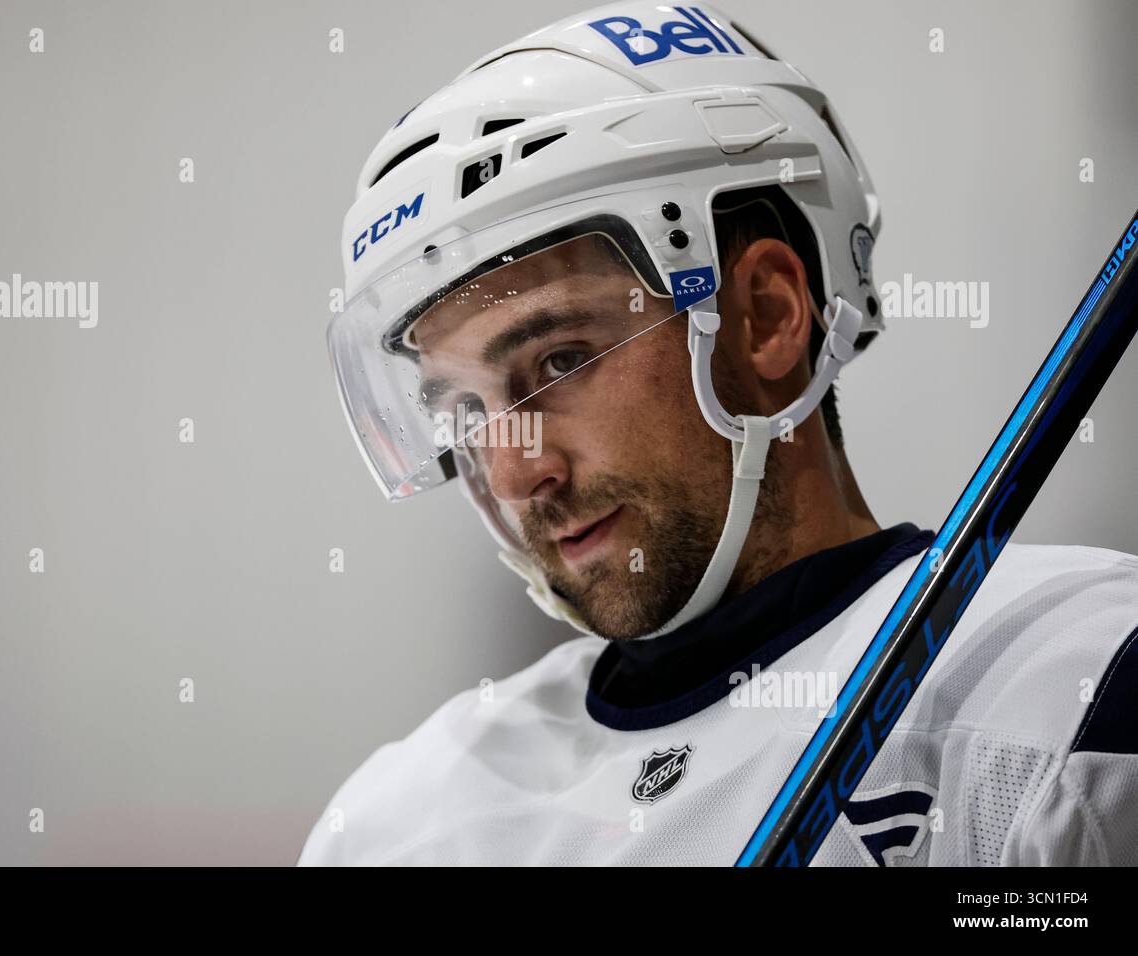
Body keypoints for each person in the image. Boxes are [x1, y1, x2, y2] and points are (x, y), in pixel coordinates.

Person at [301, 2, 1138, 865]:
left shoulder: (1076, 687)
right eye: (465, 412)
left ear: (765, 317)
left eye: (558, 363)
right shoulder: (402, 821)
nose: (516, 478)